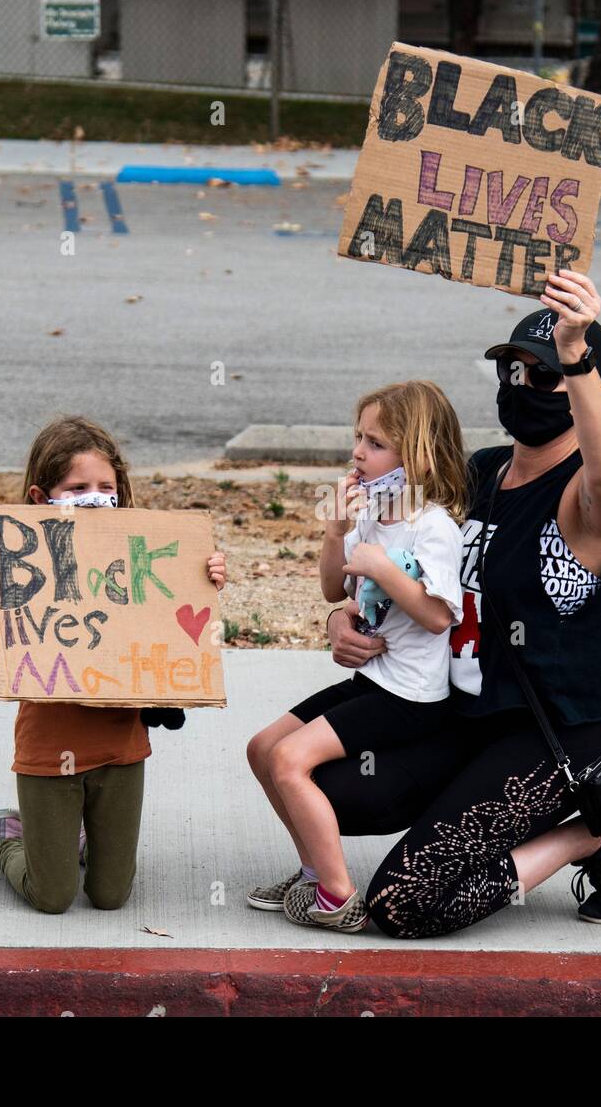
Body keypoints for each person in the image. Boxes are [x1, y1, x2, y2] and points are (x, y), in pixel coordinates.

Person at [311, 270, 601, 937]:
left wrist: (574, 348)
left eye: (545, 375)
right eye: (514, 370)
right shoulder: (479, 472)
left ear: (592, 392)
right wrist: (342, 616)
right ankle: (484, 814)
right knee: (316, 785)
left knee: (403, 904)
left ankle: (593, 830)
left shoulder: (588, 497)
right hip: (462, 707)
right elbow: (401, 564)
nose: (524, 385)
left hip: (552, 733)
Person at [0, 415, 226, 914]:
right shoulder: (22, 565)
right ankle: (11, 833)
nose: (94, 495)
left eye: (105, 486)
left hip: (120, 748)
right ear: (43, 499)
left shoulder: (138, 555)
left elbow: (171, 617)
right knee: (52, 896)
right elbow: (12, 617)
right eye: (78, 487)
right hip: (49, 749)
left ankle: (74, 838)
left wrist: (205, 574)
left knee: (110, 896)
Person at [244, 381, 467, 932]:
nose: (358, 454)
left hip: (410, 695)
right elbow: (331, 590)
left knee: (290, 761)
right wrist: (336, 531)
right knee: (262, 747)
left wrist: (387, 569)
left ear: (416, 455)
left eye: (375, 443)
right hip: (376, 679)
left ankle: (337, 897)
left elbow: (441, 616)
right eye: (358, 438)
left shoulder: (432, 527)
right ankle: (313, 869)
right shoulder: (371, 517)